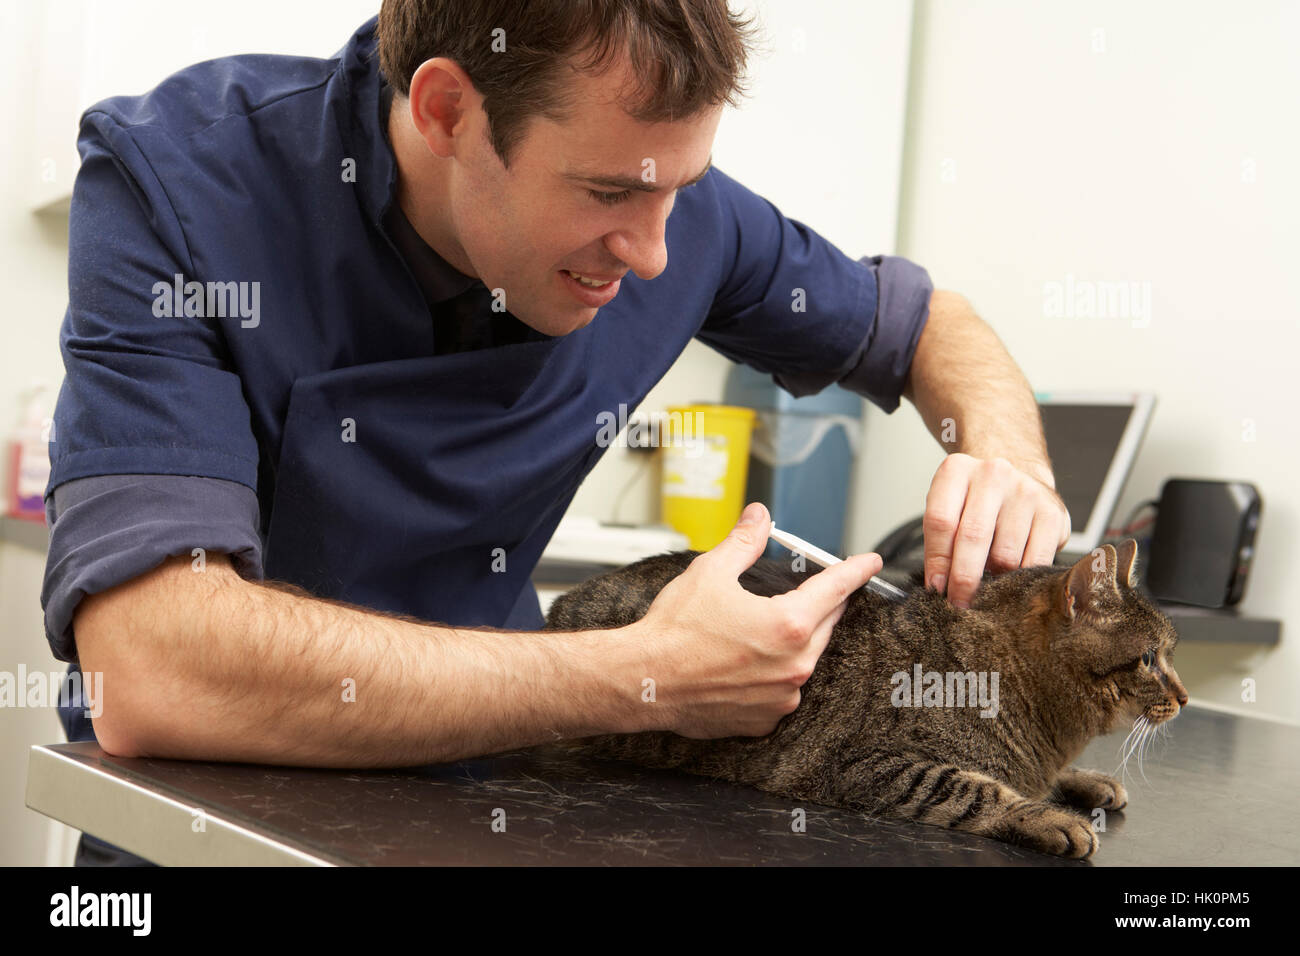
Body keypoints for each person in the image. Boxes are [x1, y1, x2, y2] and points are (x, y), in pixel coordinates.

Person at [40, 0, 1069, 866]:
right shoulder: (183, 187)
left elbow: (931, 325)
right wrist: (643, 672)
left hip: (498, 807)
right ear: (448, 110)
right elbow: (152, 667)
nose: (659, 254)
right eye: (609, 192)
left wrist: (1003, 451)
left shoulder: (675, 213)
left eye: (679, 186)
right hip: (206, 827)